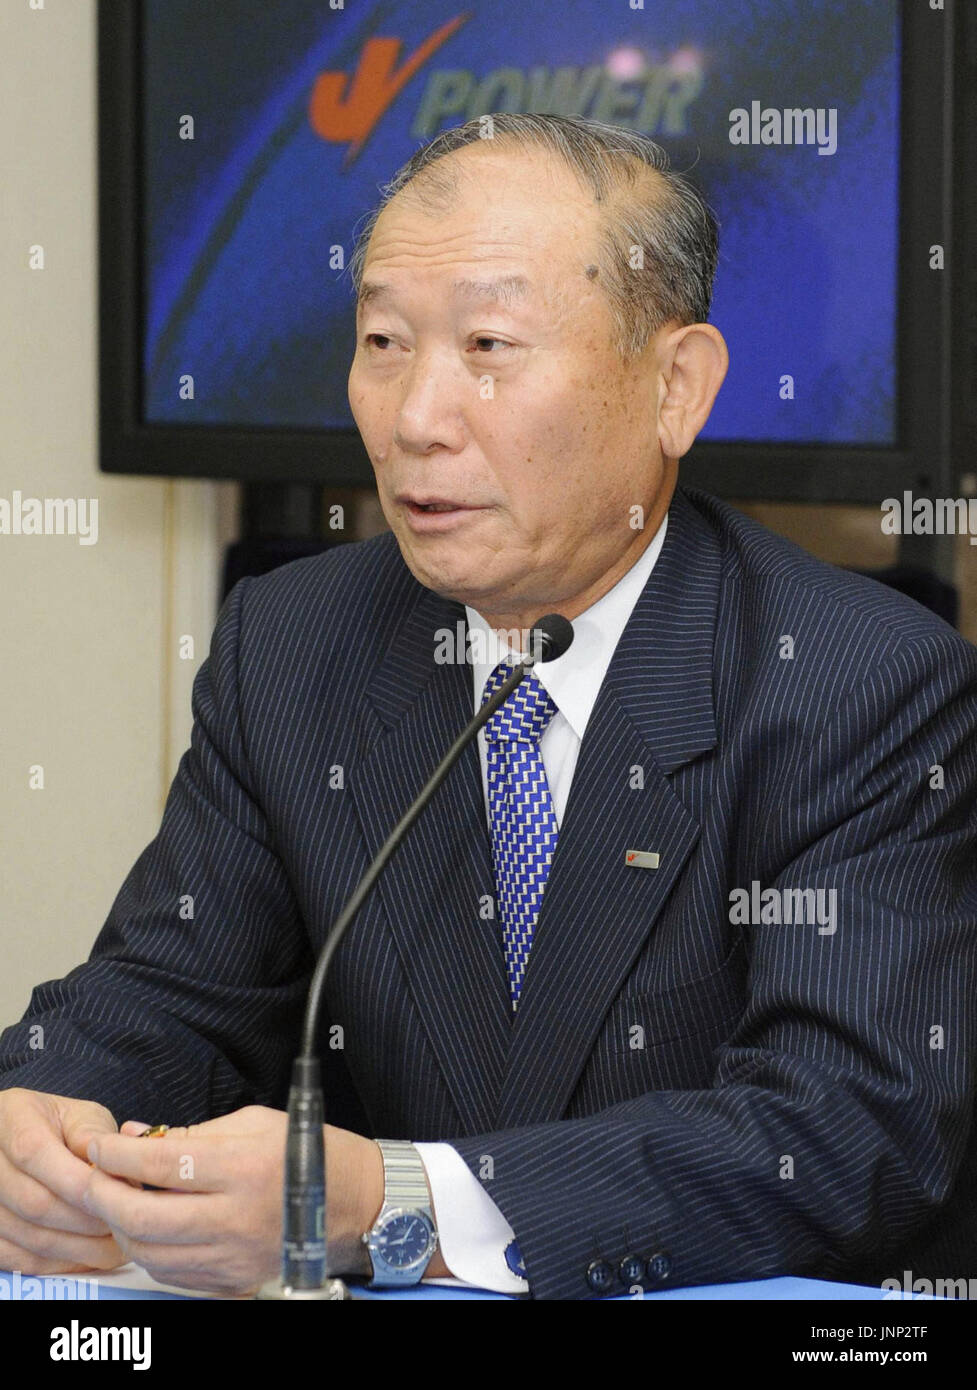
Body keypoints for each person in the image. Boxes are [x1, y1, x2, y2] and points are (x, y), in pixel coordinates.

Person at [1, 113, 976, 1301]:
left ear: (675, 387)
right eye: (380, 341)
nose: (414, 419)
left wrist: (388, 1201)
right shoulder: (291, 645)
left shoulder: (859, 685)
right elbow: (168, 996)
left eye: (487, 345)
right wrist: (39, 1110)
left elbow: (842, 1135)